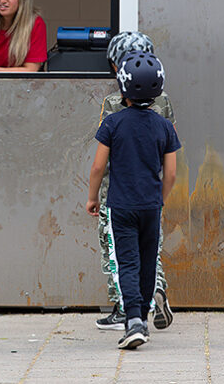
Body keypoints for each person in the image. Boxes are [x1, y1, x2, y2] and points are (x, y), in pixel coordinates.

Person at [86, 51, 179, 349]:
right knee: (148, 262)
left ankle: (134, 321)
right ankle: (145, 316)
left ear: (122, 88)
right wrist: (160, 199)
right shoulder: (164, 126)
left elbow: (98, 167)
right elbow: (171, 173)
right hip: (151, 206)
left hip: (121, 206)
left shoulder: (112, 123)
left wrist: (92, 198)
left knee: (127, 262)